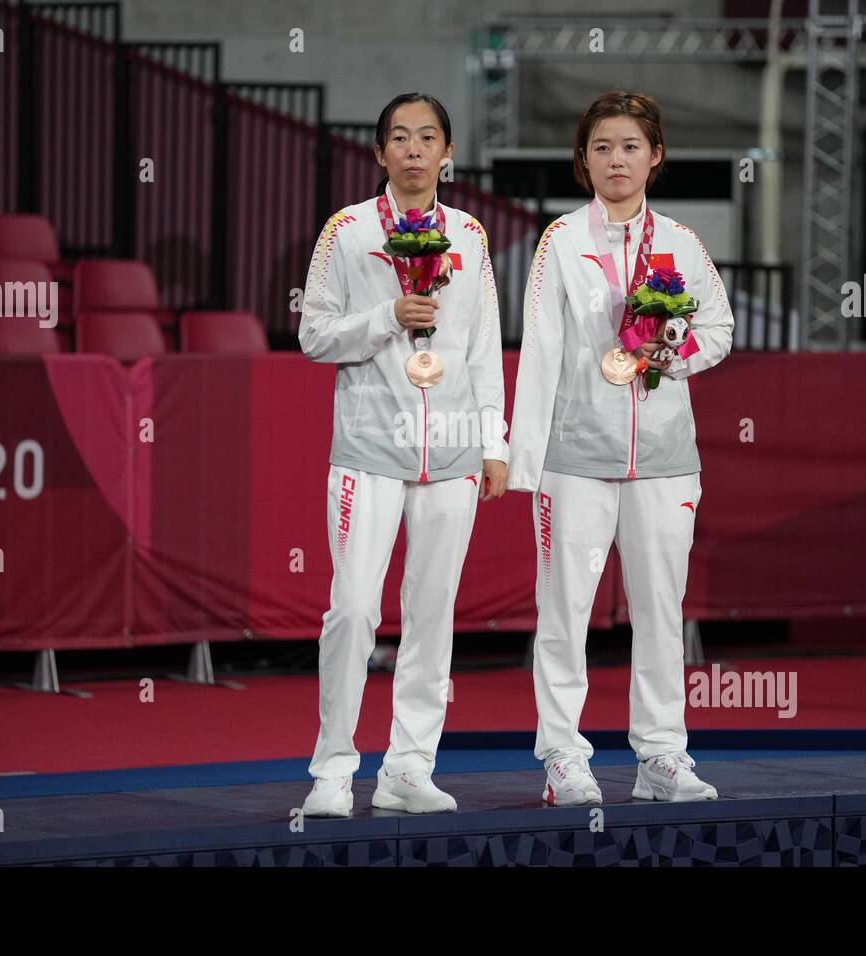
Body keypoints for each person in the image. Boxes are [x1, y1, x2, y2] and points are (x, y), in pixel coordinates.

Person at [508, 90, 734, 805]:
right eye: (602, 147)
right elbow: (540, 350)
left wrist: (672, 354)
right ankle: (563, 759)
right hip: (575, 455)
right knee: (564, 607)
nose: (616, 159)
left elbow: (721, 330)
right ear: (584, 160)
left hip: (666, 459)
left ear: (655, 156)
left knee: (662, 611)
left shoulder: (683, 242)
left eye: (631, 146)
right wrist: (525, 459)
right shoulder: (561, 241)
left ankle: (662, 756)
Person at [297, 93, 509, 817]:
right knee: (354, 608)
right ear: (380, 152)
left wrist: (494, 443)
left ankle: (408, 768)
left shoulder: (470, 236)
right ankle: (332, 769)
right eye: (399, 137)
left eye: (428, 137)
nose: (414, 149)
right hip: (368, 447)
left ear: (447, 153)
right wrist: (387, 317)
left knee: (431, 613)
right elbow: (313, 334)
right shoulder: (349, 231)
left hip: (451, 453)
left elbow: (485, 348)